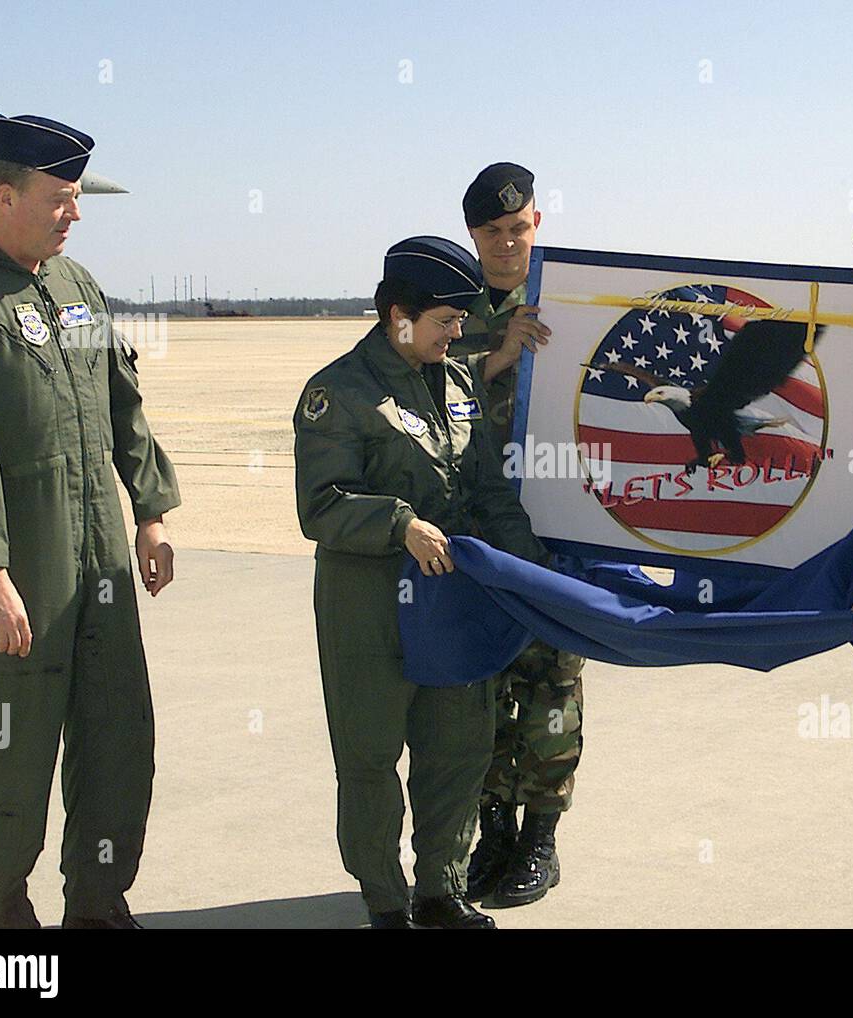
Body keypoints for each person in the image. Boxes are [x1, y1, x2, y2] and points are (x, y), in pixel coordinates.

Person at [0, 109, 180, 929]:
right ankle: (5, 925)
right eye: (60, 196)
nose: (76, 212)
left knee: (116, 747)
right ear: (1, 197)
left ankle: (99, 909)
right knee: (11, 764)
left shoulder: (78, 289)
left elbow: (124, 406)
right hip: (23, 573)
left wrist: (151, 514)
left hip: (101, 566)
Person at [293, 235, 551, 929]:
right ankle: (384, 899)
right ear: (398, 315)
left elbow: (492, 492)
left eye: (462, 322)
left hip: (452, 600)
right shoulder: (337, 393)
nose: (458, 334)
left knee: (457, 748)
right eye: (445, 321)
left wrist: (534, 573)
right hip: (368, 602)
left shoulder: (461, 384)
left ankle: (440, 890)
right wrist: (400, 522)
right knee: (371, 754)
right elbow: (319, 506)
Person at [453, 163, 585, 908]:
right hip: (473, 527)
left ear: (538, 225)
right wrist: (493, 357)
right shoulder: (446, 304)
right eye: (493, 232)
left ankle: (540, 835)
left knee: (551, 686)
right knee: (478, 685)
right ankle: (491, 828)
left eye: (520, 229)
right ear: (473, 234)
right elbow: (405, 374)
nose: (508, 244)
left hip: (557, 526)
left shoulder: (574, 299)